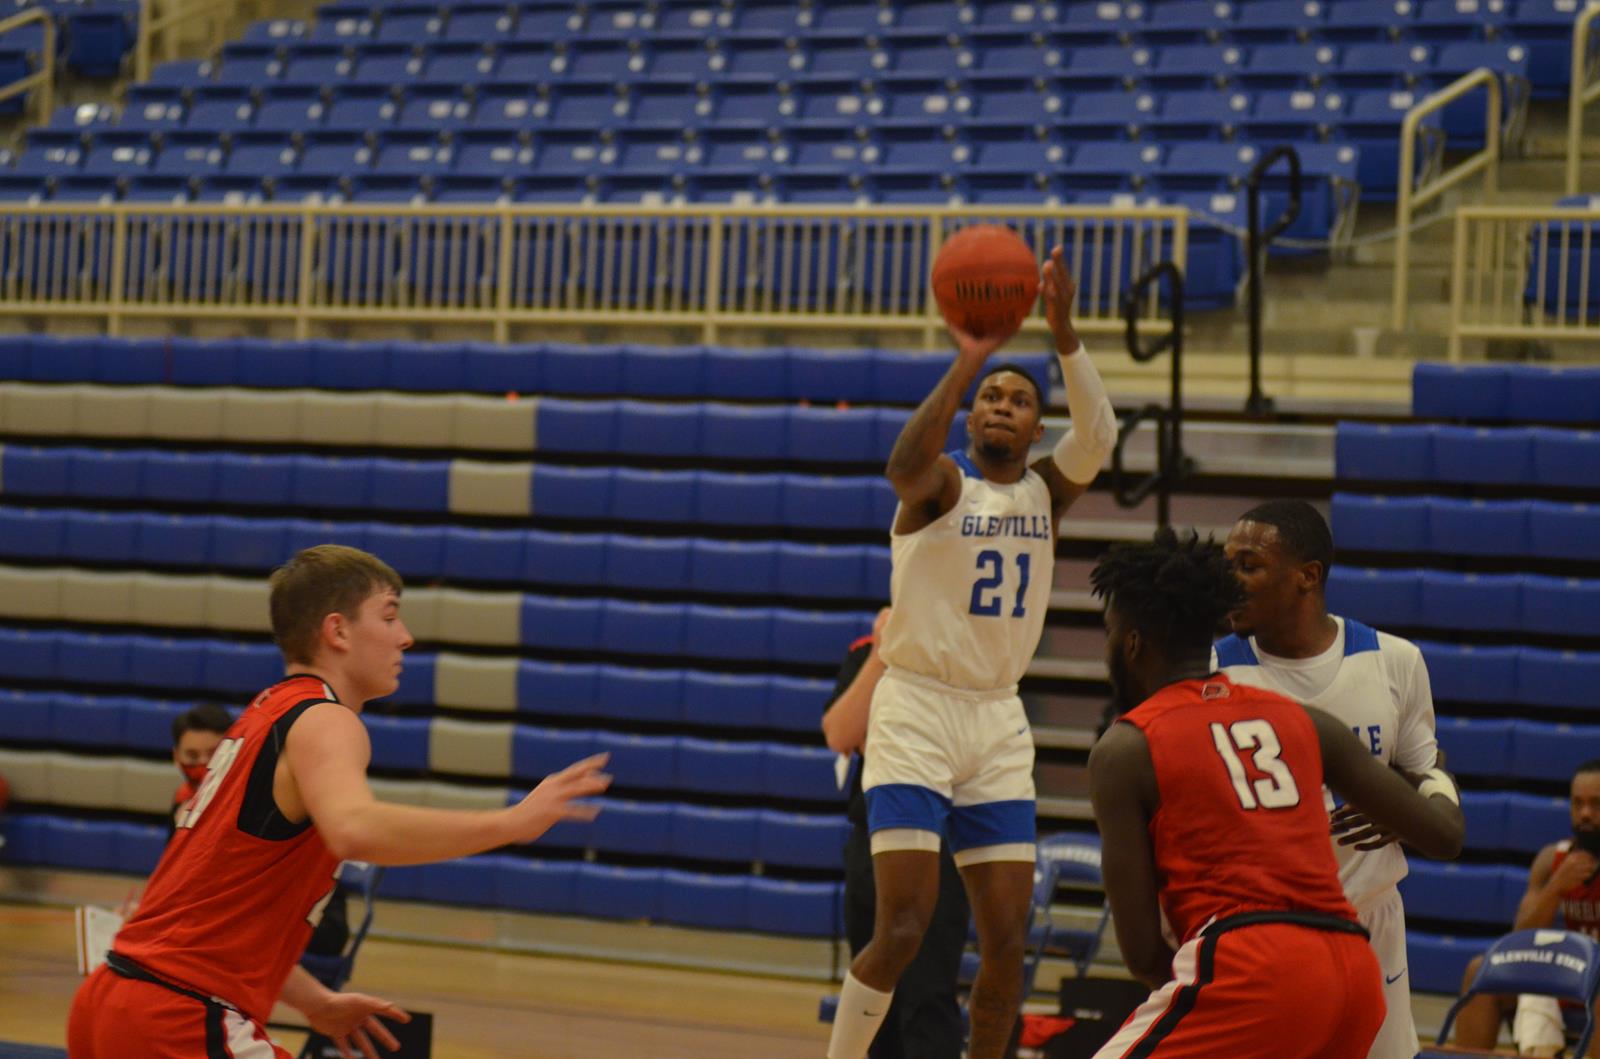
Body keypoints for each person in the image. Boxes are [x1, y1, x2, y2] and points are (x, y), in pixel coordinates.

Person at [68, 545, 611, 1059]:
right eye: (390, 615)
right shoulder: (326, 719)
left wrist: (314, 1003)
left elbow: (215, 913)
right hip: (178, 1016)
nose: (407, 637)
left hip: (114, 998)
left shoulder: (264, 715)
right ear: (338, 630)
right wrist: (512, 822)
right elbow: (354, 829)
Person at [826, 245, 1118, 1059]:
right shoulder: (943, 487)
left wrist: (1064, 333)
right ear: (970, 413)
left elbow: (1100, 432)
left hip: (996, 719)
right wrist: (968, 358)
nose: (1000, 405)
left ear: (1034, 423)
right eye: (990, 396)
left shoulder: (1045, 493)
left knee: (1004, 940)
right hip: (916, 707)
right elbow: (901, 463)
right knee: (906, 927)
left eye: (1018, 399)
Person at [1086, 529, 1466, 1058]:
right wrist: (1434, 778)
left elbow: (1144, 952)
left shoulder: (1125, 748)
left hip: (1248, 962)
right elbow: (1445, 836)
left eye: (1109, 633)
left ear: (1130, 643)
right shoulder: (1303, 721)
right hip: (1352, 966)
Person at [1216, 498, 1444, 1059]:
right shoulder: (1210, 669)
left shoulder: (1395, 660)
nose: (1229, 580)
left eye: (1248, 565)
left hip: (1371, 916)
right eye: (1228, 563)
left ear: (1307, 576)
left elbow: (1428, 773)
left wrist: (1399, 803)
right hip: (1262, 927)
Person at [822, 607, 970, 1059]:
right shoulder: (868, 653)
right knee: (873, 995)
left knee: (927, 1001)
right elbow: (842, 733)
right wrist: (883, 652)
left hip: (937, 843)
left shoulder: (959, 659)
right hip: (870, 842)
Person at [1452, 761, 1600, 1055]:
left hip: (1596, 985)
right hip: (1566, 977)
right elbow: (1516, 941)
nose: (1585, 813)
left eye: (1596, 804)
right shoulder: (1551, 860)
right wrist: (1556, 887)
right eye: (1577, 803)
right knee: (1480, 970)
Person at [170, 704, 232, 825]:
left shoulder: (250, 803)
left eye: (214, 754)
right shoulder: (182, 797)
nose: (204, 765)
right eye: (192, 756)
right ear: (176, 756)